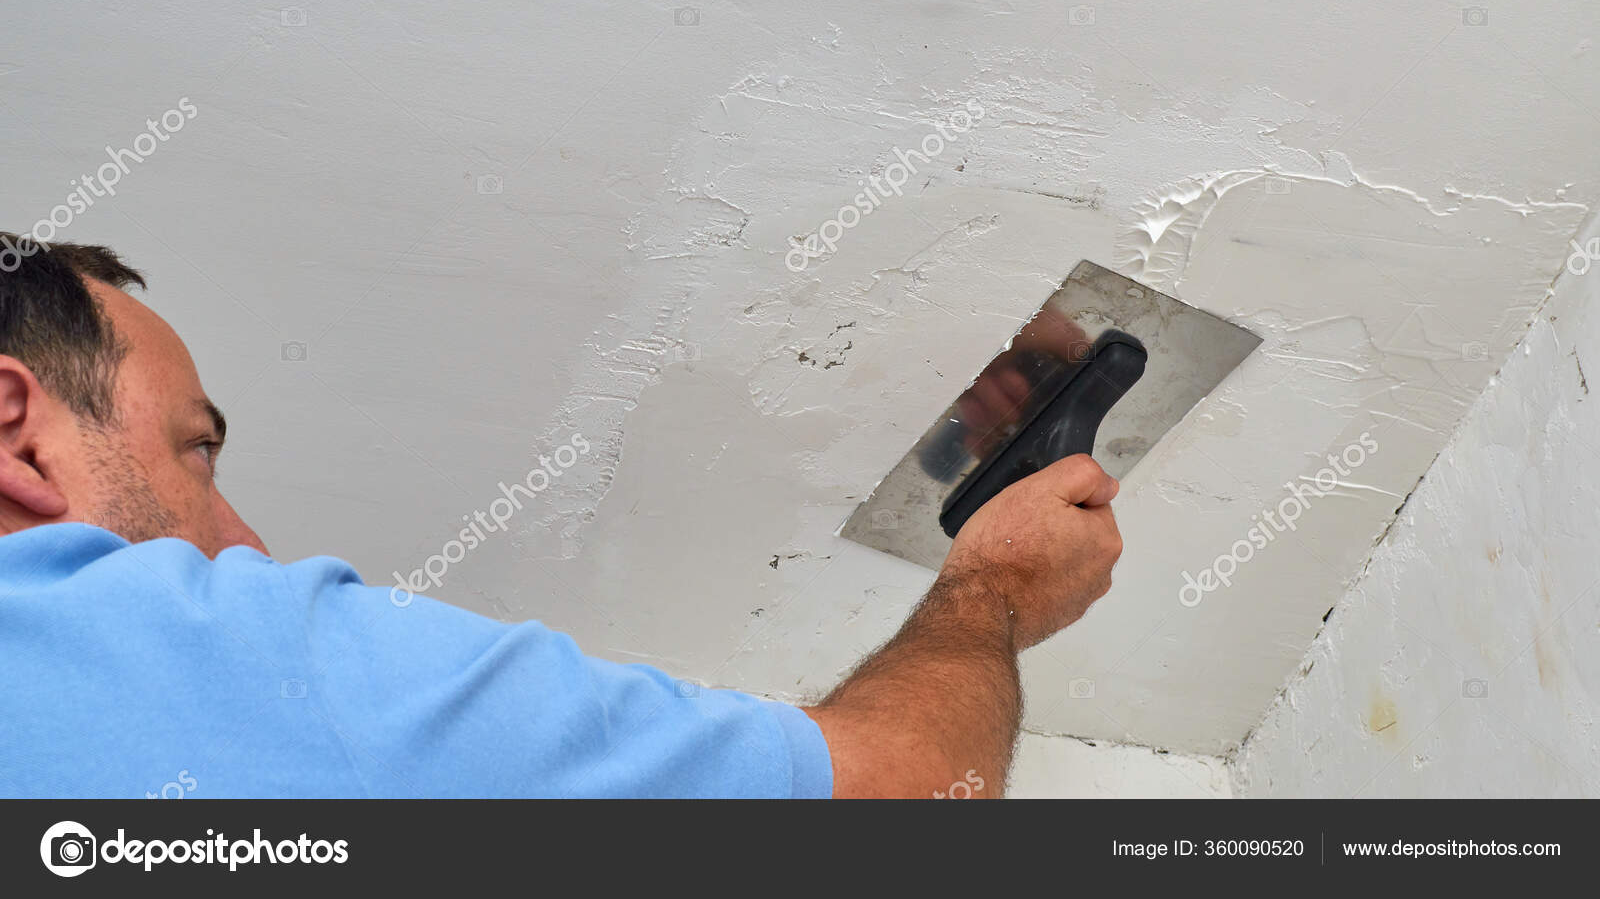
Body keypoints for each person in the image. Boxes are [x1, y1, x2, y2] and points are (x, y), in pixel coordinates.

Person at [0, 234, 1122, 798]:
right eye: (193, 449)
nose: (241, 539)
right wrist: (997, 591)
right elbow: (890, 796)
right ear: (13, 420)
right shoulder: (242, 654)